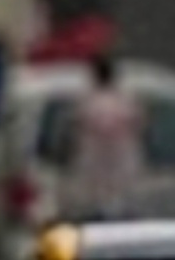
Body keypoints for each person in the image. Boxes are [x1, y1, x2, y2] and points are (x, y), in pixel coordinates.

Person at [60, 54, 147, 223]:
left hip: (99, 167)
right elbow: (139, 124)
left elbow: (77, 126)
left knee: (100, 198)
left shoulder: (88, 101)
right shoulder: (126, 100)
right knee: (115, 198)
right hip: (118, 166)